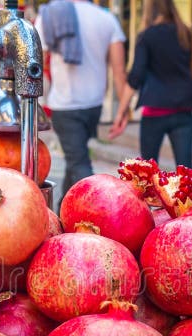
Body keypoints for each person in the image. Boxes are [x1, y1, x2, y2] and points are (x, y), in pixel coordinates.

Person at [35, 0, 128, 195]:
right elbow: (119, 72)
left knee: (78, 163)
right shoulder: (107, 19)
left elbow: (34, 63)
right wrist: (123, 110)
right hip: (94, 105)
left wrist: (34, 103)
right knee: (75, 159)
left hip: (65, 105)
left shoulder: (49, 16)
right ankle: (63, 211)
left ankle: (98, 205)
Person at [108, 0, 192, 168]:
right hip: (184, 111)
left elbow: (136, 77)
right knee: (185, 173)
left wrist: (121, 113)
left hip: (154, 112)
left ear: (150, 10)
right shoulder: (187, 33)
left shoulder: (147, 36)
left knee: (149, 171)